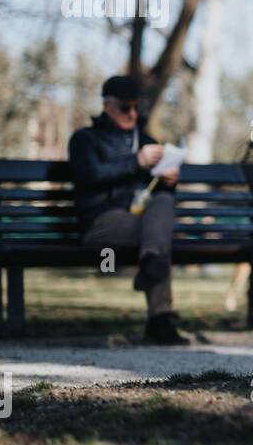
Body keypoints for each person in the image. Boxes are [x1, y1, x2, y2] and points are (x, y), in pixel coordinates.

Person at [68, 75, 185, 345]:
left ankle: (150, 262)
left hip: (143, 220)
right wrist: (136, 162)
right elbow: (89, 176)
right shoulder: (85, 139)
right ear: (107, 106)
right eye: (125, 107)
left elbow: (157, 194)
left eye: (136, 107)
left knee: (164, 205)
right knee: (156, 237)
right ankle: (160, 320)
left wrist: (167, 181)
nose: (132, 113)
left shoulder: (145, 139)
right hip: (101, 220)